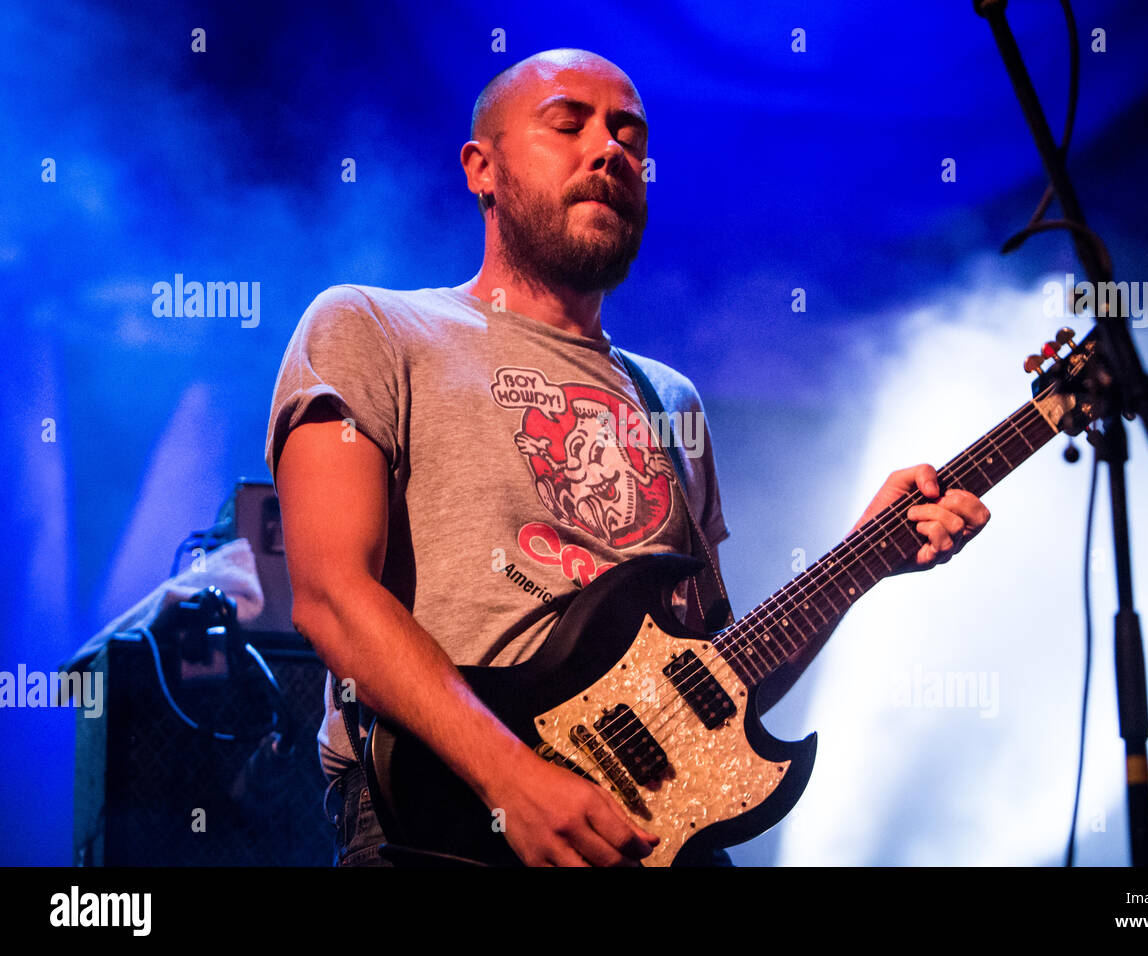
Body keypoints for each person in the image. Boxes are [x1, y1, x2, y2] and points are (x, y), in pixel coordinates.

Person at [264, 48, 991, 867]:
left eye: (628, 135)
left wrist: (865, 555)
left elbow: (713, 684)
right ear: (482, 168)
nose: (609, 149)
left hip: (653, 838)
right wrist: (514, 781)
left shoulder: (671, 400)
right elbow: (330, 595)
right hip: (449, 822)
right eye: (568, 124)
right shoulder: (373, 327)